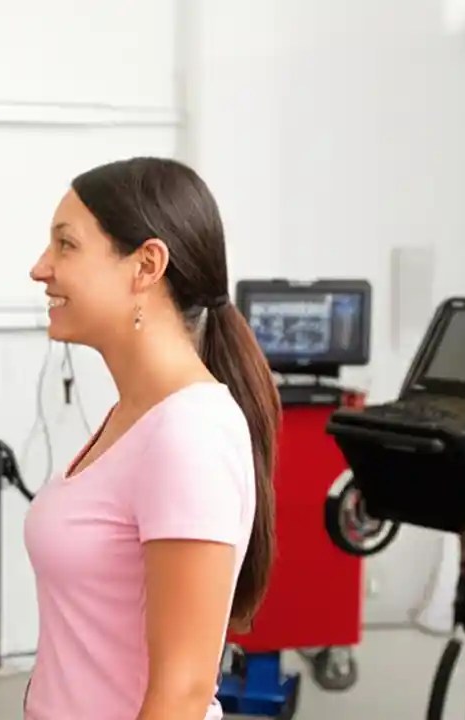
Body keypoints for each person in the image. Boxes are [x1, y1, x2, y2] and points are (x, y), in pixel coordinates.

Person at [22, 157, 280, 720]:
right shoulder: (135, 416)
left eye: (66, 245)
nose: (41, 268)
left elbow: (181, 693)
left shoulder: (189, 433)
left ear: (146, 265)